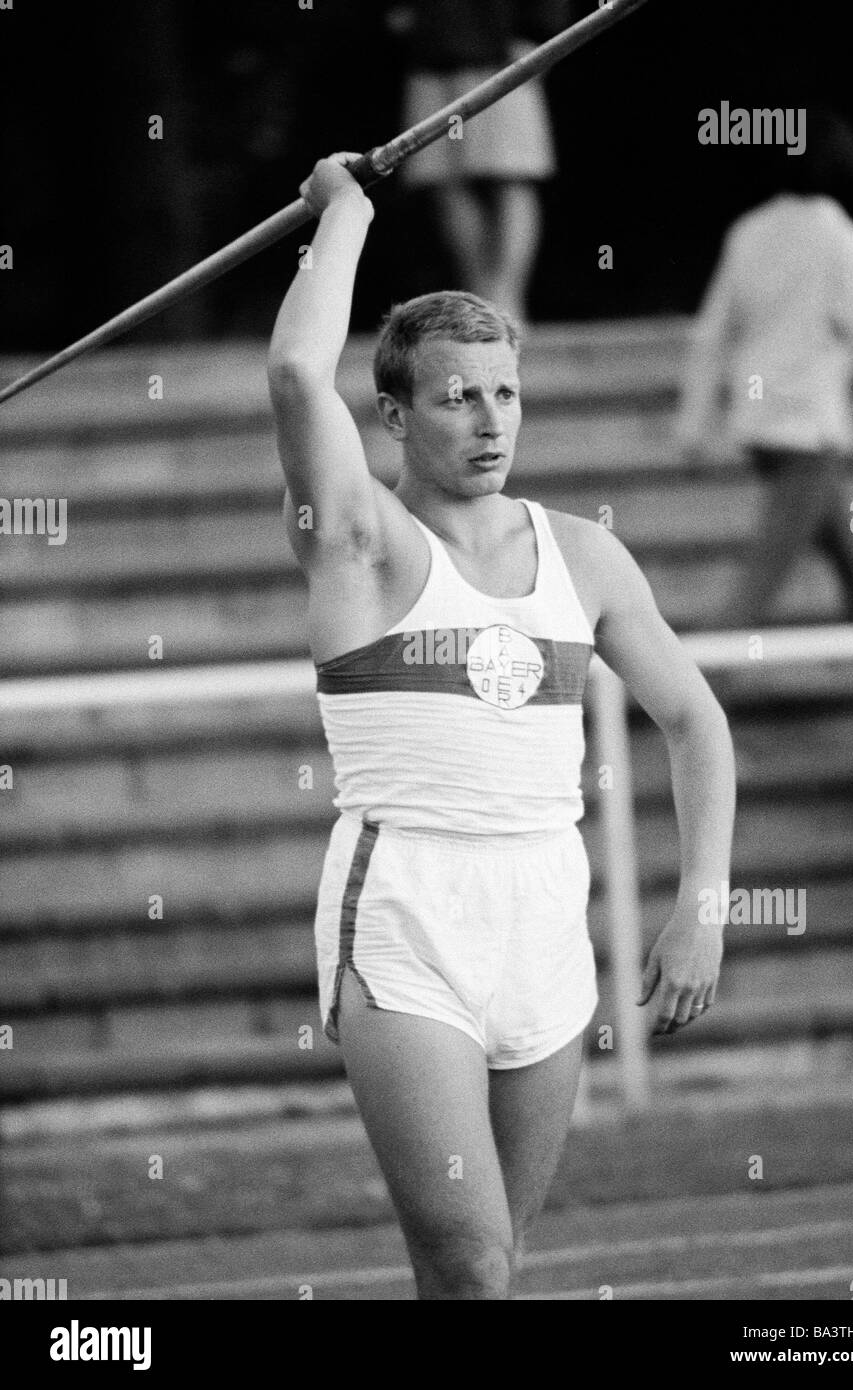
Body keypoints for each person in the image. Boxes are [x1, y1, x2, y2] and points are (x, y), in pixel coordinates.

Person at [268, 153, 735, 1301]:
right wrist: (346, 210)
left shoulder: (585, 554)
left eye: (507, 394)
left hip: (545, 914)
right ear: (393, 414)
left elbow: (695, 719)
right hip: (408, 913)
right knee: (474, 1262)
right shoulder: (364, 546)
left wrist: (705, 903)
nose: (491, 423)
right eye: (457, 397)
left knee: (486, 1272)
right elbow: (294, 369)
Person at [675, 110, 853, 765]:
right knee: (756, 589)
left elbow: (713, 333)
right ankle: (677, 709)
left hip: (762, 432)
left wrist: (694, 422)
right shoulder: (839, 239)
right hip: (808, 435)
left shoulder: (749, 231)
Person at [385, 1, 570, 322]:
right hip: (432, 59)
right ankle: (482, 298)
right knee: (444, 182)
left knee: (512, 178)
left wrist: (537, 33)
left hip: (504, 59)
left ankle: (507, 300)